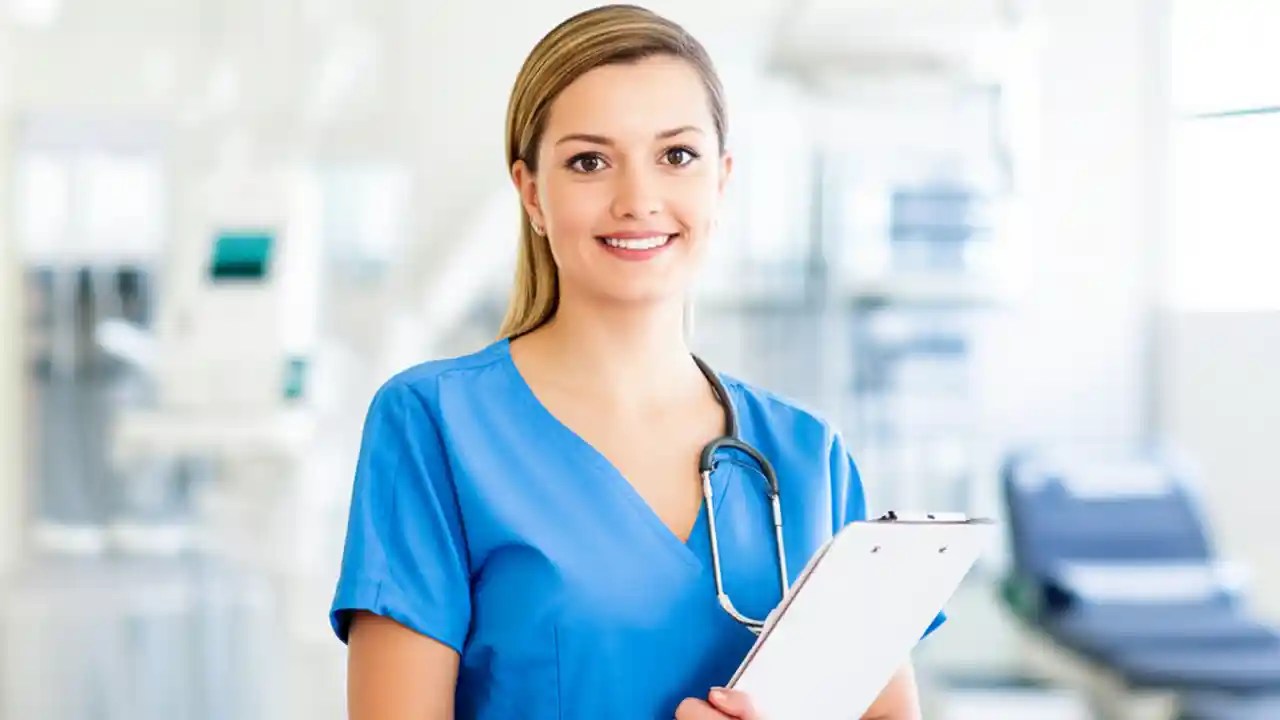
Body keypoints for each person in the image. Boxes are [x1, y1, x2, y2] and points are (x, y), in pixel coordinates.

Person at [329, 5, 944, 719]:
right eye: (590, 161)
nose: (638, 200)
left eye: (676, 156)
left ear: (721, 178)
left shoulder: (809, 457)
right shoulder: (434, 427)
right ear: (532, 193)